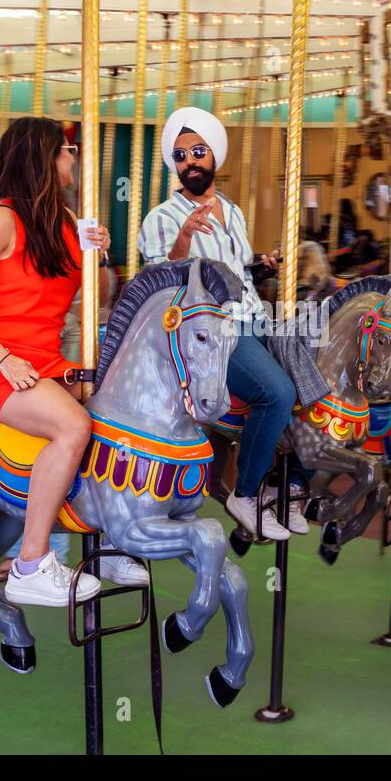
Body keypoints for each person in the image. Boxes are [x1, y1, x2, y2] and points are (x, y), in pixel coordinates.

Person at [0, 116, 145, 608]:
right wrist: (3, 357)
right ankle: (31, 563)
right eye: (66, 150)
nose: (73, 158)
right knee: (74, 426)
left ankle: (116, 542)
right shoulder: (1, 219)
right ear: (43, 156)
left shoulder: (62, 221)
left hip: (46, 361)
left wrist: (97, 256)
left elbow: (95, 297)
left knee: (121, 416)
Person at [138, 106, 311, 540]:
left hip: (253, 316)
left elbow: (232, 271)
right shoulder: (161, 217)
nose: (189, 162)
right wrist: (183, 240)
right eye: (180, 156)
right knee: (277, 392)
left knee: (313, 378)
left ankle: (292, 486)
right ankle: (246, 492)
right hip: (214, 330)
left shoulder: (232, 212)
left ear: (214, 155)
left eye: (197, 151)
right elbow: (160, 282)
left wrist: (260, 269)